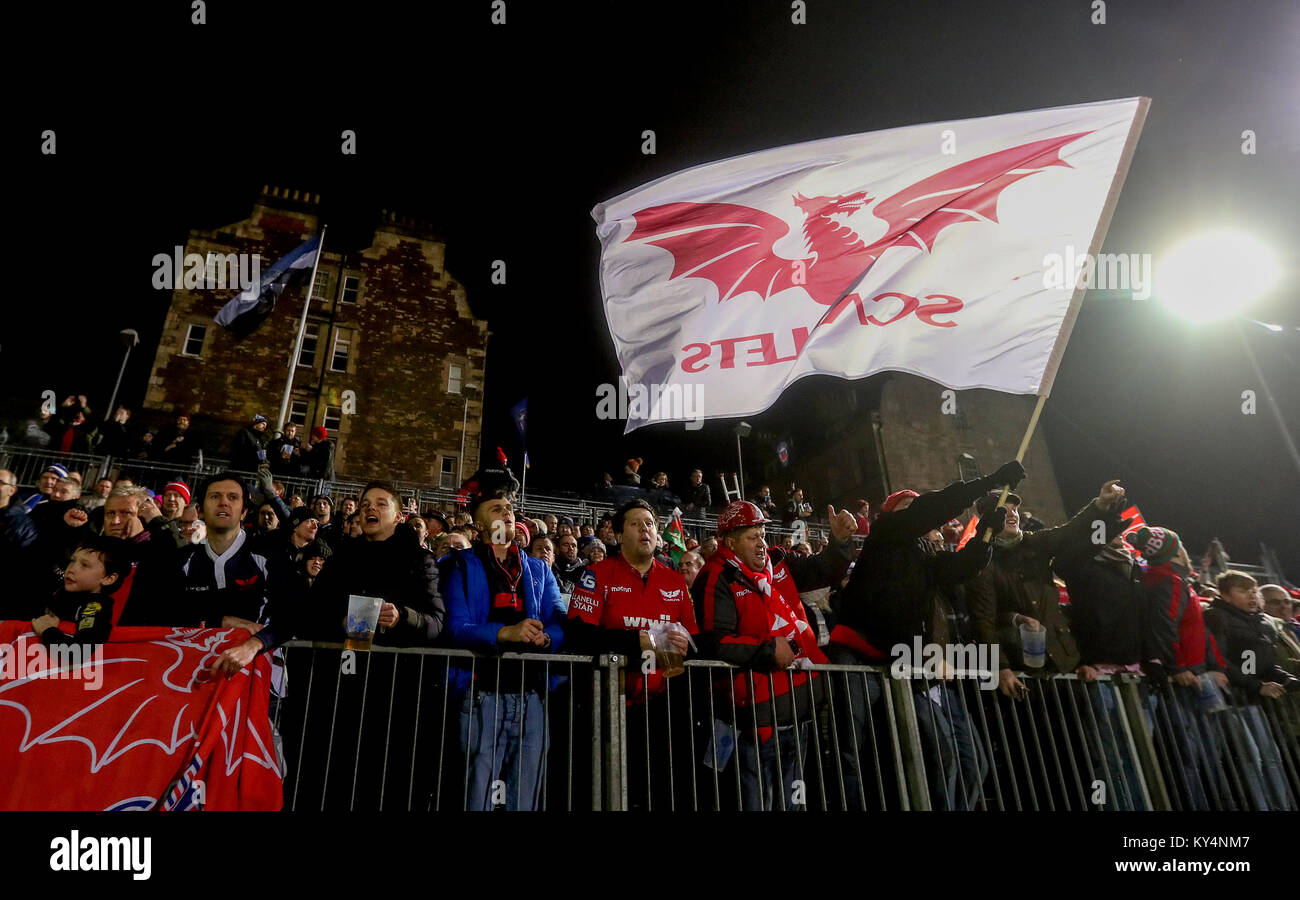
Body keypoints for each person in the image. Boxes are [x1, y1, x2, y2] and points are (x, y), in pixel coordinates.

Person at [830, 462, 1021, 811]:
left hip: (900, 662)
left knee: (943, 754)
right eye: (910, 507)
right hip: (856, 654)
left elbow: (959, 568)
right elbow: (929, 509)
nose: (919, 515)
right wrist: (989, 482)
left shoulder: (923, 555)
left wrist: (984, 537)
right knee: (850, 746)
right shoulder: (885, 533)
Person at [693, 499, 857, 810]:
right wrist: (769, 651)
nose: (761, 543)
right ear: (729, 542)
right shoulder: (716, 577)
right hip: (753, 725)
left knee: (793, 801)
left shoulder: (778, 560)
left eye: (762, 534)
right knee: (757, 802)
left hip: (800, 715)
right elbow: (714, 642)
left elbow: (823, 570)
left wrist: (840, 542)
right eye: (751, 536)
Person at [441, 466, 566, 810]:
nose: (506, 512)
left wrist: (547, 639)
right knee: (477, 793)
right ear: (479, 524)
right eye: (496, 509)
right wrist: (505, 633)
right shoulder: (458, 566)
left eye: (509, 508)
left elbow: (559, 619)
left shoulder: (539, 568)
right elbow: (456, 627)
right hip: (482, 696)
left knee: (524, 796)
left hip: (532, 696)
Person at [564, 498, 697, 809]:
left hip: (661, 709)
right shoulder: (595, 574)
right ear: (619, 534)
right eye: (635, 524)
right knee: (607, 792)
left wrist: (685, 647)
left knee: (655, 791)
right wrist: (636, 642)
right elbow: (579, 635)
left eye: (649, 524)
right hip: (608, 706)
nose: (644, 530)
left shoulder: (675, 580)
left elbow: (694, 640)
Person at [967, 479, 1128, 699]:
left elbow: (1070, 531)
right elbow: (984, 621)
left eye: (1015, 509)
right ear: (988, 519)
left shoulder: (1035, 543)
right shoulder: (982, 564)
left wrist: (1099, 505)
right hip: (1025, 671)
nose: (1013, 515)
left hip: (1067, 664)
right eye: (1003, 511)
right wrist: (1002, 667)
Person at [1204, 570, 1297, 810]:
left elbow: (1267, 663)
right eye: (1243, 591)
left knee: (1271, 758)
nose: (1252, 596)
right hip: (1232, 702)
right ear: (1225, 595)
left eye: (1254, 590)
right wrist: (1257, 686)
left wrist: (1285, 679)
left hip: (1255, 702)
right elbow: (1220, 661)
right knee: (1250, 760)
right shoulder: (1217, 617)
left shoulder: (1262, 622)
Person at [309, 481, 443, 646]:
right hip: (347, 663)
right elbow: (313, 609)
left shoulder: (421, 560)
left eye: (381, 504)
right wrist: (342, 621)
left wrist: (403, 617)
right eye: (365, 504)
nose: (370, 508)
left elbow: (436, 623)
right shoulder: (343, 557)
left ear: (398, 517)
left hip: (398, 666)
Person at [31, 535, 131, 648]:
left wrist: (48, 631)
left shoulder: (96, 607)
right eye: (72, 561)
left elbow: (79, 652)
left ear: (108, 578)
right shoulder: (61, 592)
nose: (71, 569)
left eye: (85, 565)